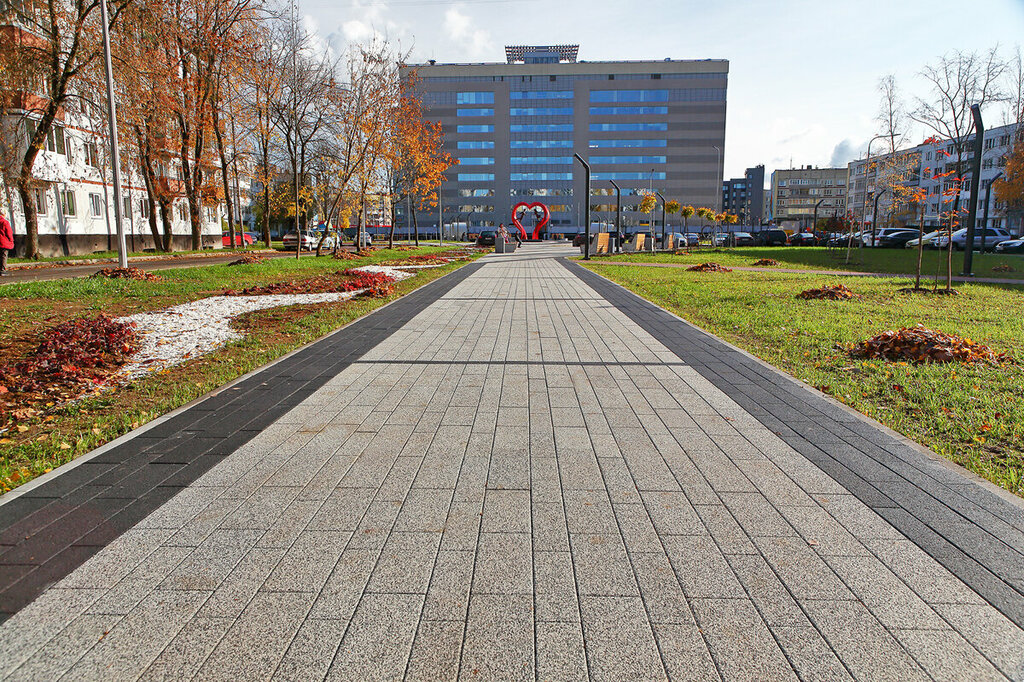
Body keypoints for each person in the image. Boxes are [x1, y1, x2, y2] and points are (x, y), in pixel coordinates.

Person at [0, 209, 13, 277]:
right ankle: (2, 270)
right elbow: (9, 232)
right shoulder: (5, 222)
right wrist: (11, 240)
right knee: (4, 256)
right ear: (4, 214)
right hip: (3, 241)